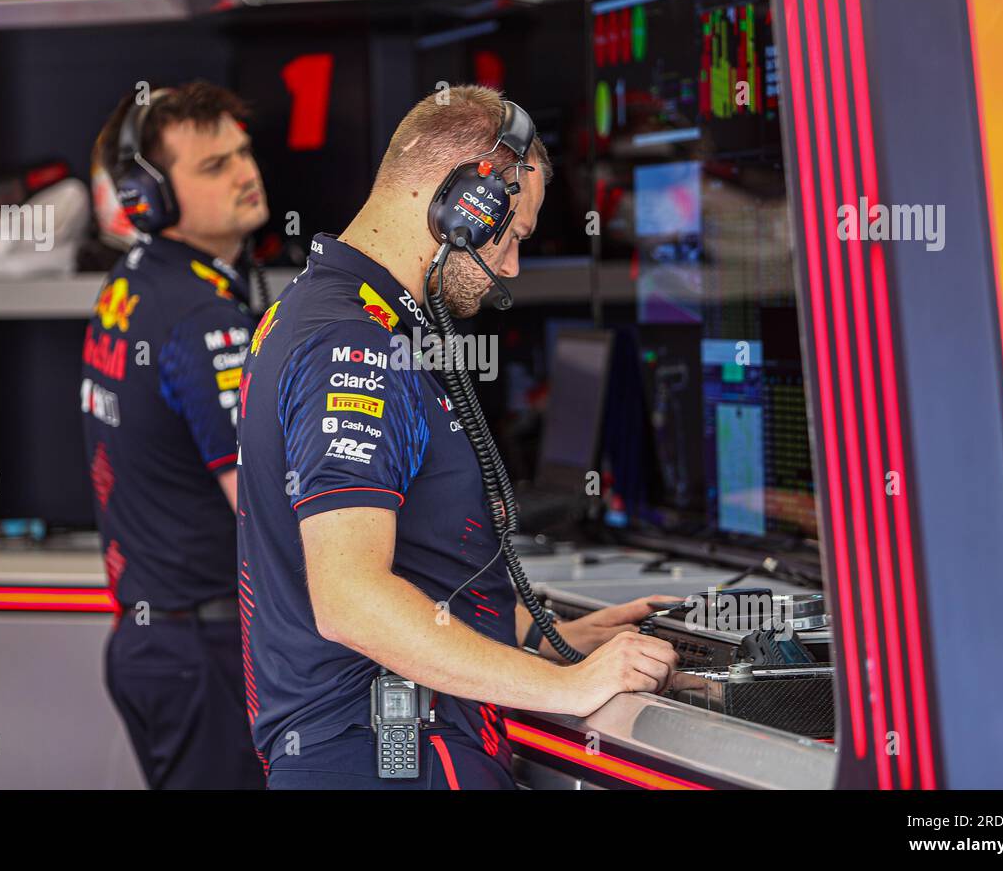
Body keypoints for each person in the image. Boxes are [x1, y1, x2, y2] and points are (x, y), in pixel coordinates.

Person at [235, 85, 682, 789]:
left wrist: (540, 638)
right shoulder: (353, 344)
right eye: (514, 237)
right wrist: (566, 687)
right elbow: (350, 598)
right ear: (466, 206)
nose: (509, 268)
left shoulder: (326, 315)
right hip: (387, 756)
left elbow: (418, 565)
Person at [81, 80, 268, 789]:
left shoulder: (133, 283)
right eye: (215, 166)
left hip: (160, 642)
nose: (246, 174)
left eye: (244, 153)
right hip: (206, 649)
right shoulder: (202, 318)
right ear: (148, 198)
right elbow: (268, 510)